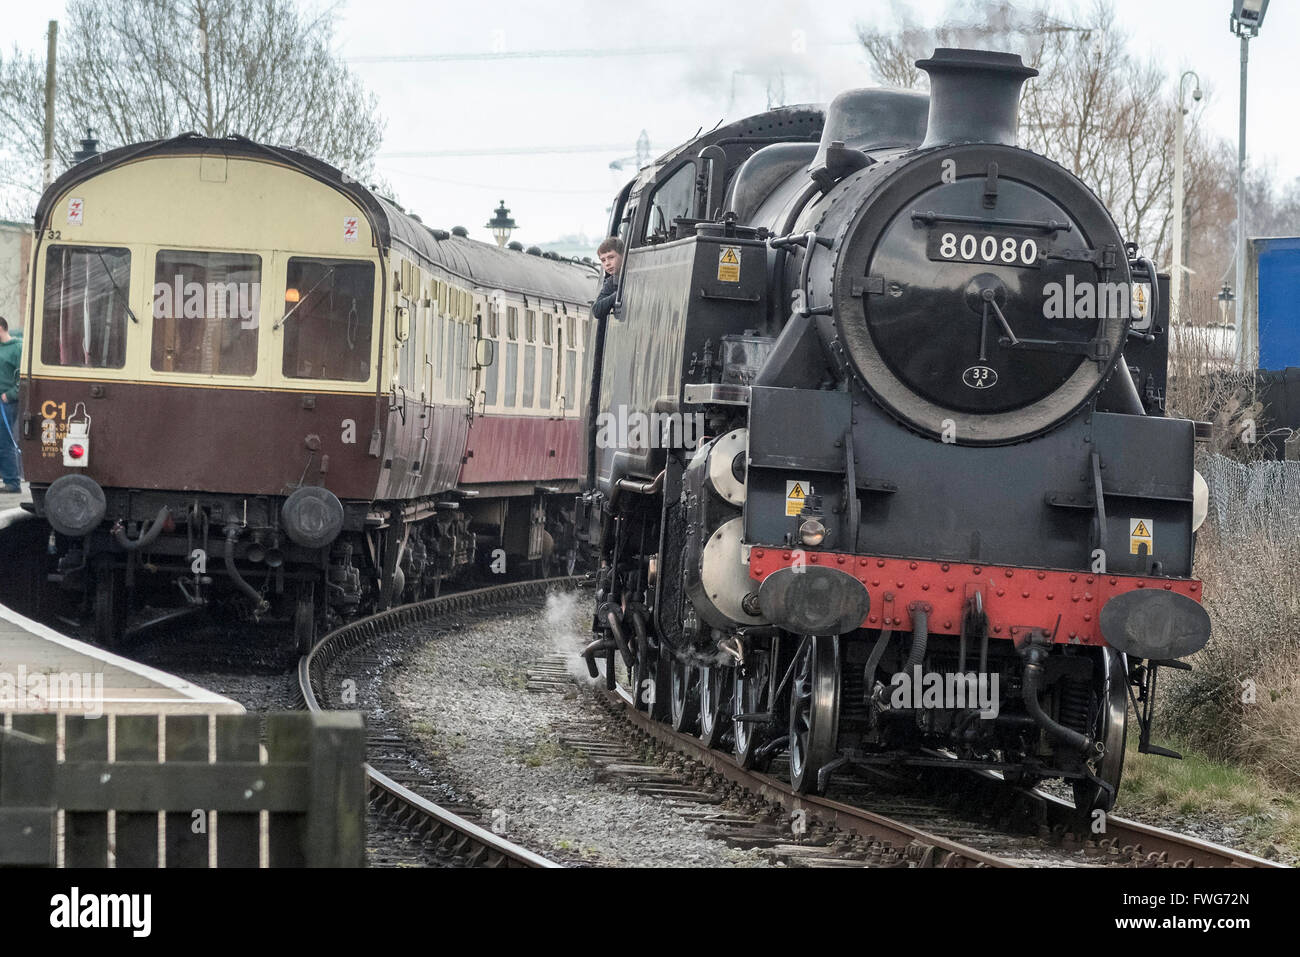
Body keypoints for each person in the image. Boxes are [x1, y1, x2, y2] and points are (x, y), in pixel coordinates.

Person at [0, 317, 23, 493]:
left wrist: (10, 395)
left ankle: (12, 482)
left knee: (5, 441)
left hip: (6, 403)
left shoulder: (17, 348)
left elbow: (23, 377)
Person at [593, 237, 624, 320]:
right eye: (603, 260)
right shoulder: (611, 282)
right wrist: (617, 295)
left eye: (611, 257)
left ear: (623, 256)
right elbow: (597, 310)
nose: (607, 263)